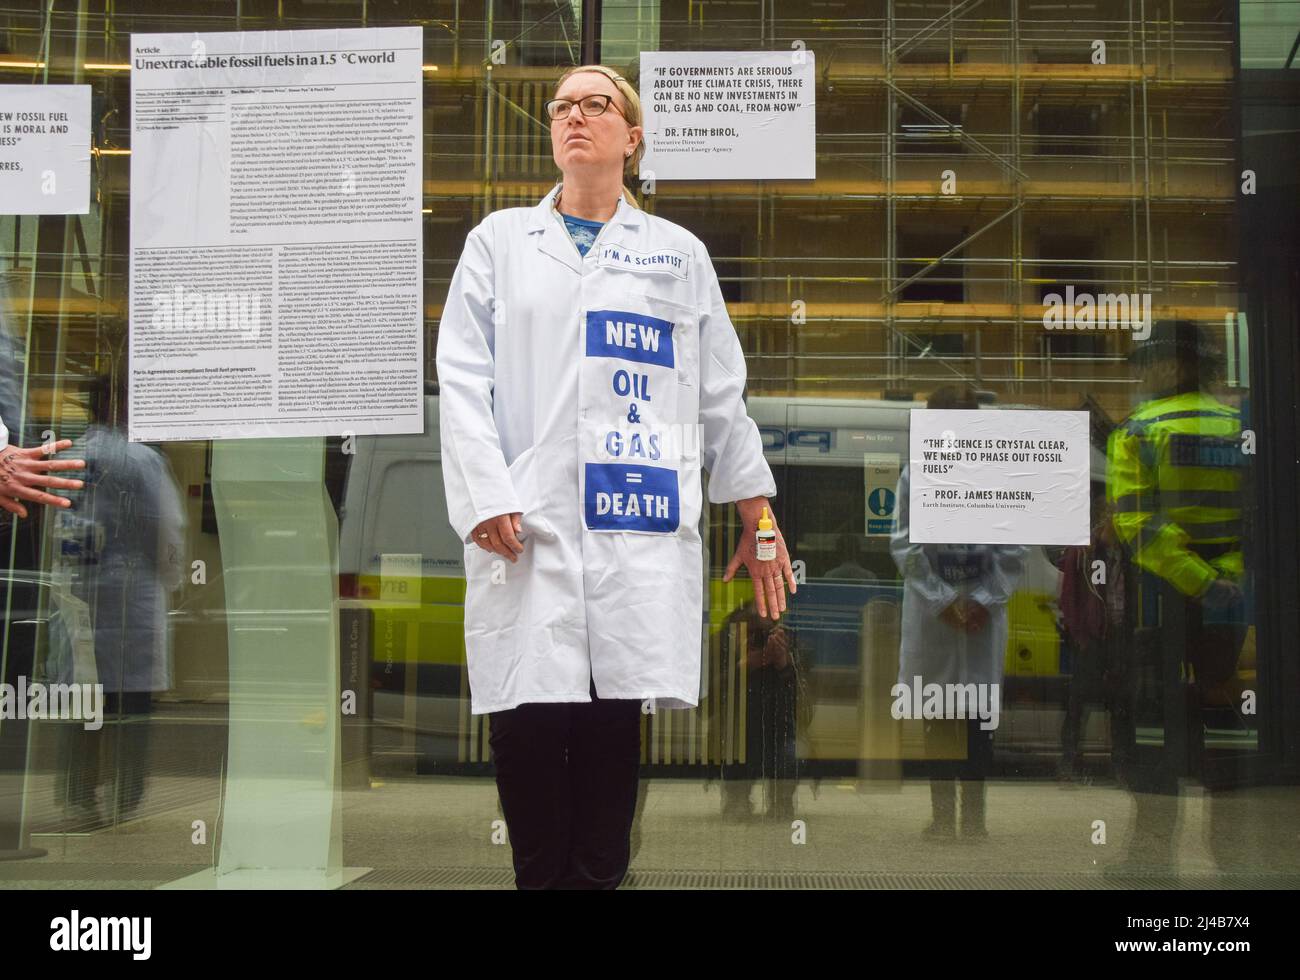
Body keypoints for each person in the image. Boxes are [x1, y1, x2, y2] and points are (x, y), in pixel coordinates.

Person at [436, 64, 797, 889]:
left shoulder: (678, 255)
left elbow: (718, 394)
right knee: (526, 746)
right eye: (561, 106)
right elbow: (460, 378)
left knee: (608, 752)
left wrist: (760, 519)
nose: (573, 116)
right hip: (524, 530)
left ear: (631, 138)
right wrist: (485, 495)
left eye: (596, 104)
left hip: (632, 533)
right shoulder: (498, 243)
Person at [1104, 319, 1248, 872]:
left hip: (1161, 602)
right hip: (1227, 604)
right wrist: (1223, 578)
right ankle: (1232, 854)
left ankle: (1150, 850)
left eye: (1144, 365)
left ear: (1170, 366)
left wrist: (1194, 579)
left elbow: (1135, 523)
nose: (1139, 378)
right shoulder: (1237, 428)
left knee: (1151, 725)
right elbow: (1252, 521)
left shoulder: (1140, 431)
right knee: (1221, 717)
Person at [890, 385, 1026, 839]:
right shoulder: (916, 476)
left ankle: (973, 820)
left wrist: (983, 602)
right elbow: (905, 545)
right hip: (937, 624)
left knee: (977, 727)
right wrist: (944, 601)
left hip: (977, 625)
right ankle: (945, 818)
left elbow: (1013, 549)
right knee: (939, 723)